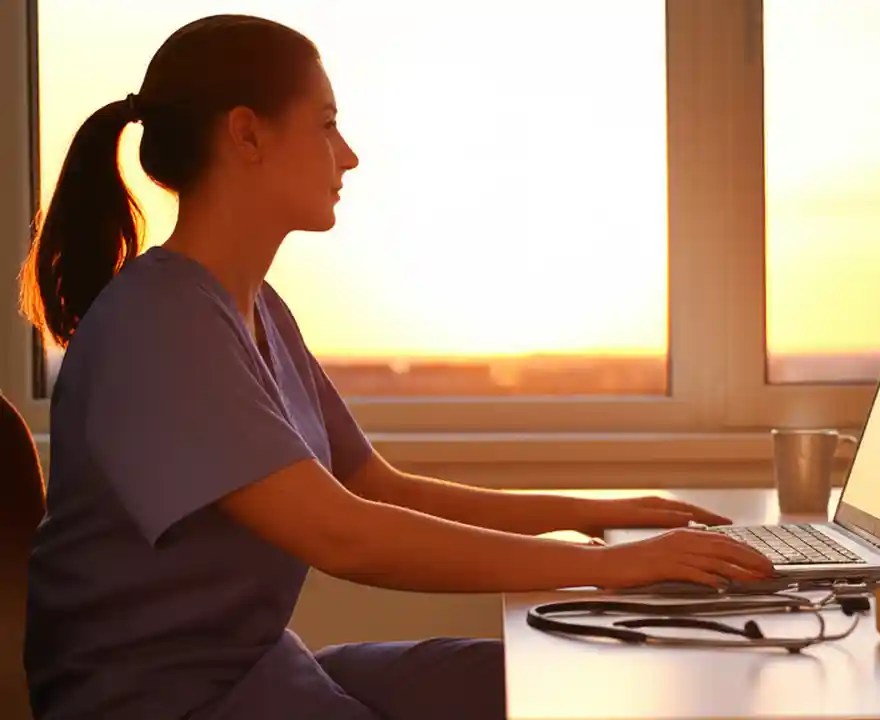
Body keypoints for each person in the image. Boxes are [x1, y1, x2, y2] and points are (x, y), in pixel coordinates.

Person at [18, 14, 775, 720]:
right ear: (246, 136)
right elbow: (346, 536)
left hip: (256, 668)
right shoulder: (161, 323)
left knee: (544, 683)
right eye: (326, 125)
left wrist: (592, 515)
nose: (348, 154)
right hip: (170, 703)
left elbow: (377, 487)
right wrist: (617, 569)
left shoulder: (254, 308)